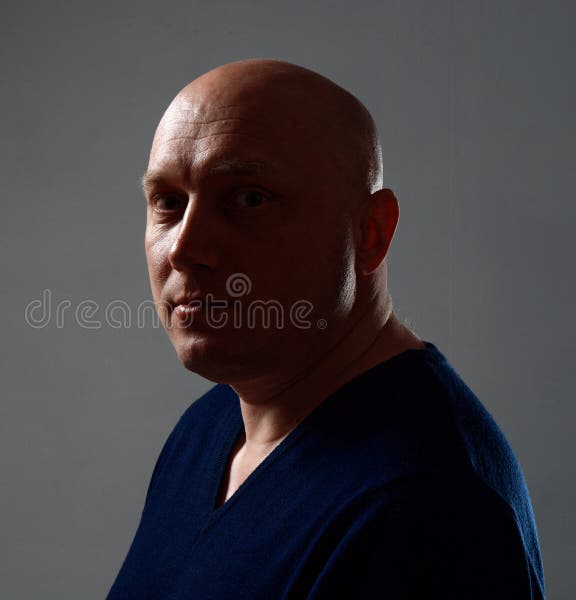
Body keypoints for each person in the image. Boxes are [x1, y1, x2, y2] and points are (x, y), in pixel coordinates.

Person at [107, 59, 545, 599]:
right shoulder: (207, 429)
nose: (185, 248)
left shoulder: (425, 504)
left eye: (248, 199)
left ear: (371, 233)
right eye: (169, 203)